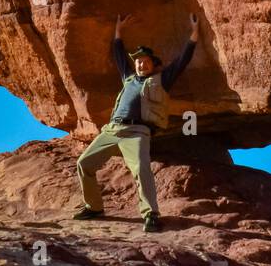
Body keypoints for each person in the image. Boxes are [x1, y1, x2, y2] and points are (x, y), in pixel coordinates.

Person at [73, 12, 199, 232]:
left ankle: (150, 214)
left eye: (145, 61)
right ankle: (94, 207)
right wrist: (118, 30)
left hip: (137, 131)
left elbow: (183, 60)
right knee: (84, 163)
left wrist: (194, 32)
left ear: (153, 64)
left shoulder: (162, 80)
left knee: (141, 169)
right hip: (112, 129)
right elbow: (119, 54)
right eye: (139, 61)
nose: (141, 64)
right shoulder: (128, 77)